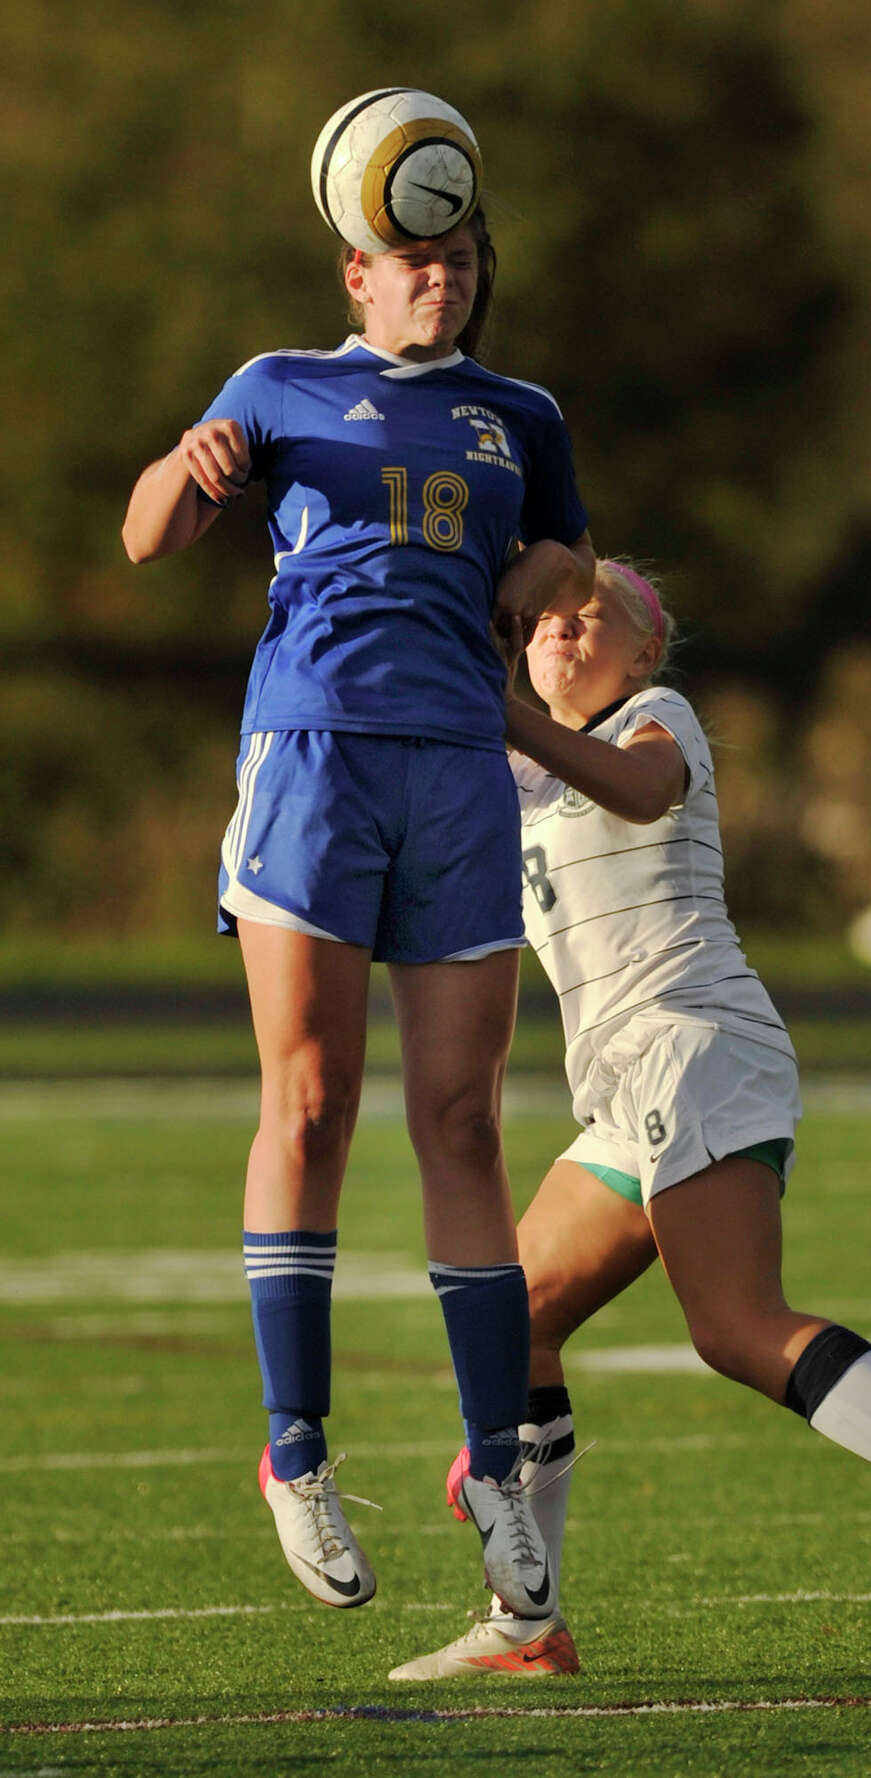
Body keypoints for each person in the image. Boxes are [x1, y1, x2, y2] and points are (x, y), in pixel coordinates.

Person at [388, 558, 871, 1679]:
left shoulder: (657, 718)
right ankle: (527, 1619)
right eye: (547, 613)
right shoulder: (510, 764)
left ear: (645, 650)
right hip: (632, 1082)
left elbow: (640, 791)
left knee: (735, 1325)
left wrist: (496, 709)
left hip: (696, 1044)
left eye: (593, 615)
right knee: (518, 1315)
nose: (563, 625)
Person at [122, 189, 594, 1620]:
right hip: (315, 750)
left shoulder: (522, 410)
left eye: (457, 261)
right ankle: (296, 1449)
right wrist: (186, 465)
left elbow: (570, 551)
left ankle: (504, 1472)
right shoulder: (279, 384)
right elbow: (148, 535)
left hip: (458, 761)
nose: (439, 279)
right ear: (360, 274)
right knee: (311, 1098)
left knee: (462, 1118)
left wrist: (547, 574)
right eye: (414, 261)